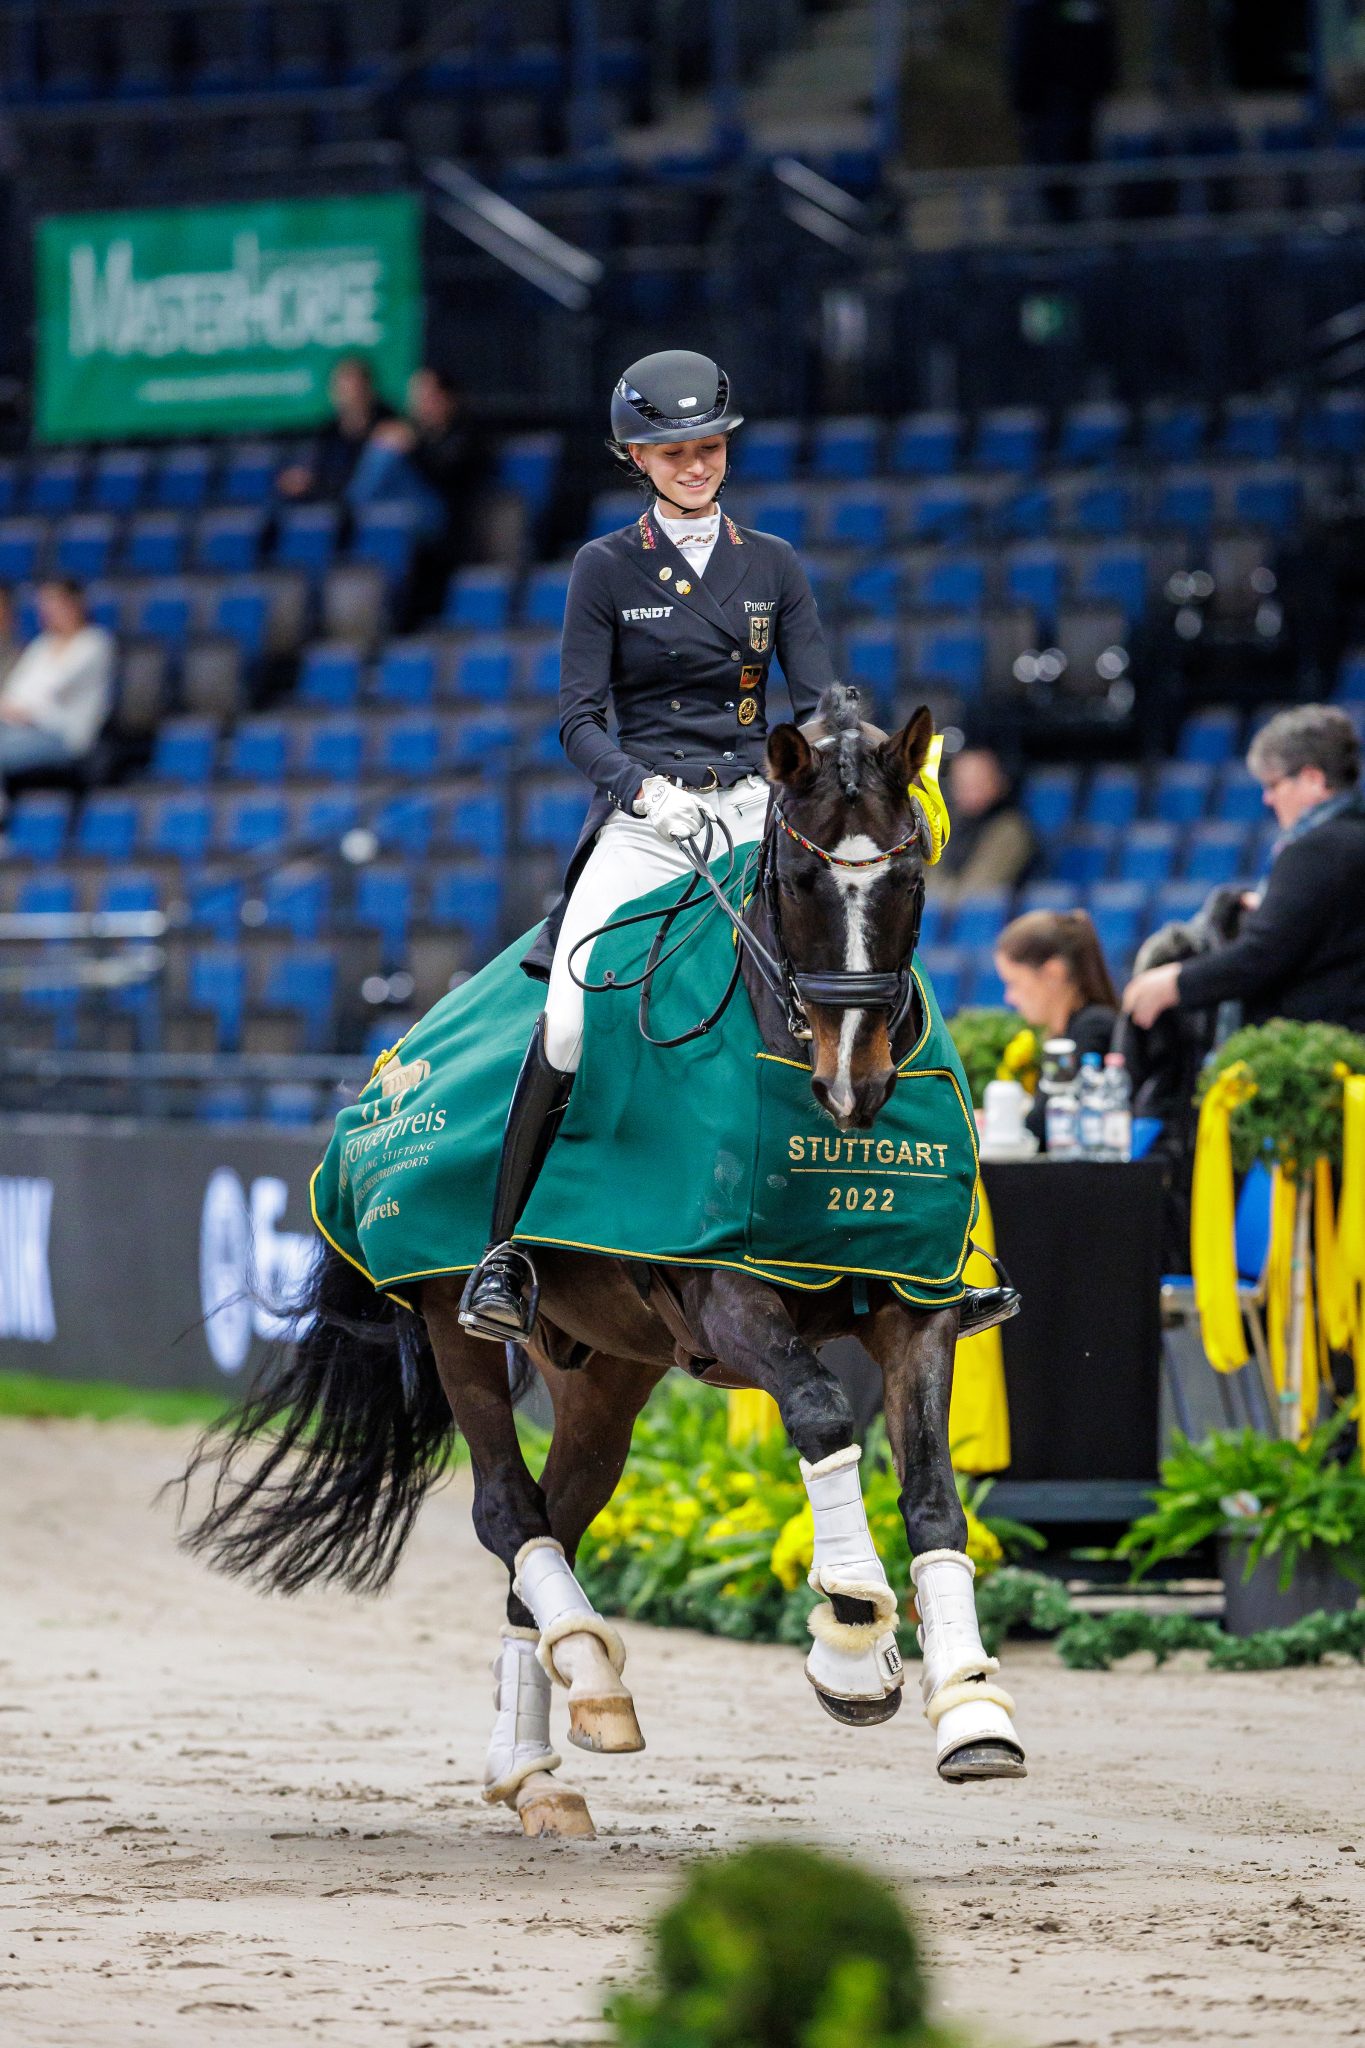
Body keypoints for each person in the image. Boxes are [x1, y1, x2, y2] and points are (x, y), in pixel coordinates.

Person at [459, 349, 1013, 1344]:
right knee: (573, 1016)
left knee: (885, 976)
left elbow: (822, 701)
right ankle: (508, 1256)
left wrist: (882, 766)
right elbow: (580, 720)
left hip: (765, 806)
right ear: (638, 454)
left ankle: (946, 1252)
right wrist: (645, 792)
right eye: (675, 451)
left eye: (709, 446)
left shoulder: (773, 565)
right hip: (650, 816)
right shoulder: (604, 567)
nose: (696, 464)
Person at [1124, 704, 1365, 1034]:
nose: (1267, 799)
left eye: (1274, 784)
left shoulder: (1317, 848)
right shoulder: (1350, 839)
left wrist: (1175, 983)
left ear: (1312, 779)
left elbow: (1263, 955)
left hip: (1325, 1047)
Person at [994, 908, 1119, 1146]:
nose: (1009, 998)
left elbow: (1045, 1124)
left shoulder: (1092, 1028)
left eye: (1014, 983)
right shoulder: (1066, 1033)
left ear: (1053, 973)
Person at [0, 578, 114, 801]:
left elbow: (54, 691)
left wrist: (21, 710)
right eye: (44, 606)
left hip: (66, 737)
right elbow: (14, 691)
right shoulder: (41, 644)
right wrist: (14, 709)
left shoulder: (95, 643)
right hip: (21, 730)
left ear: (75, 604)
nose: (48, 612)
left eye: (54, 604)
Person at [930, 743, 1036, 907]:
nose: (969, 790)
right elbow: (926, 884)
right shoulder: (947, 826)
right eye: (962, 783)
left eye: (978, 782)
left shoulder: (1011, 829)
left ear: (999, 782)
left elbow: (980, 889)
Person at [276, 355, 391, 503]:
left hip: (385, 502)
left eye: (352, 385)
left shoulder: (391, 422)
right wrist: (306, 480)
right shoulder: (328, 432)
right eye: (340, 386)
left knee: (383, 454)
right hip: (340, 498)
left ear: (367, 388)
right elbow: (329, 476)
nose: (345, 393)